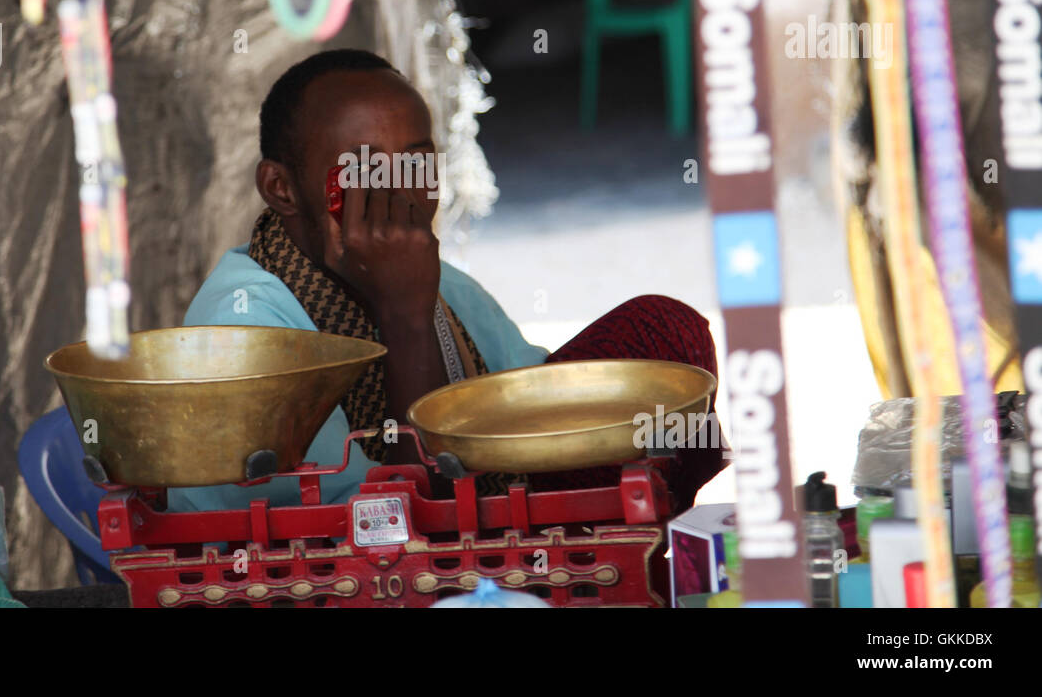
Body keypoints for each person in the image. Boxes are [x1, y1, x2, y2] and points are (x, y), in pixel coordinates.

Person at [174, 49, 727, 512]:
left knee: (665, 331)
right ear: (281, 188)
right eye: (364, 171)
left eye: (415, 165)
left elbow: (531, 409)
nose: (400, 195)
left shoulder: (442, 284)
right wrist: (404, 317)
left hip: (492, 524)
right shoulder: (243, 322)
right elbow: (391, 522)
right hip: (342, 571)